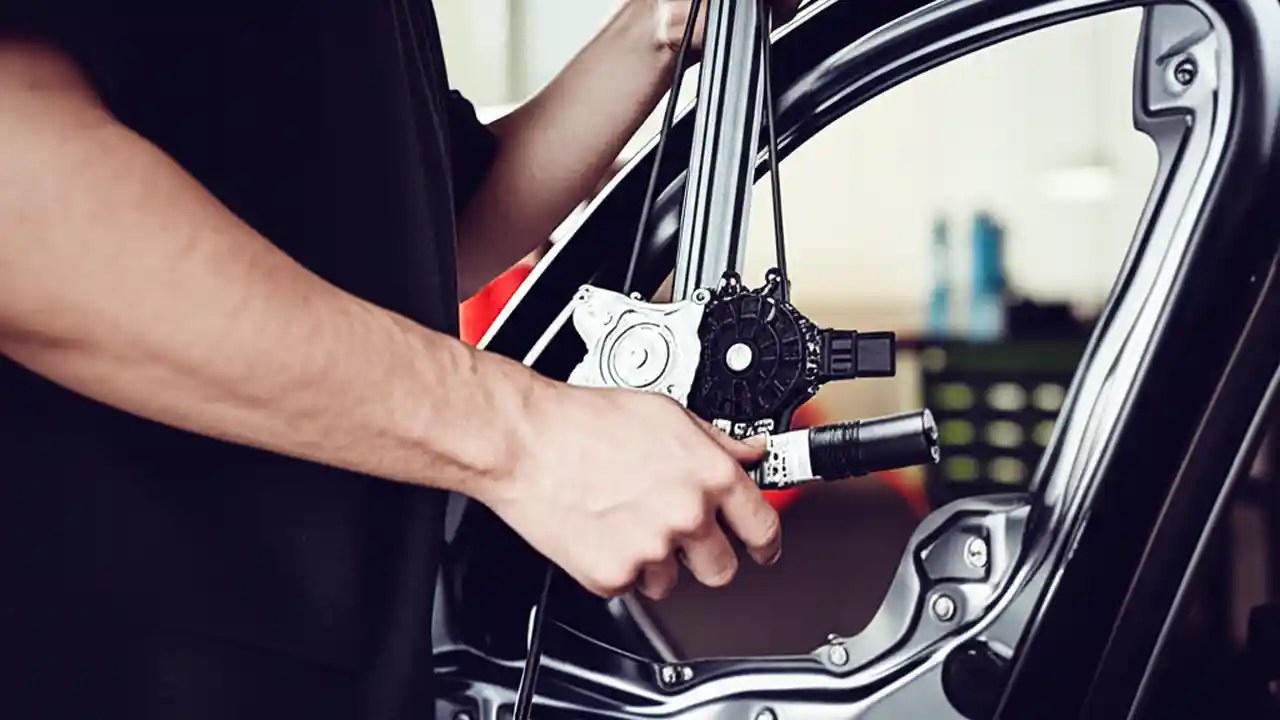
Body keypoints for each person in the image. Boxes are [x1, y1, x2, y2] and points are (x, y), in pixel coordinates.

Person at [1, 1, 800, 718]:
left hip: (337, 659)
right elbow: (21, 209)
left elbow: (421, 234)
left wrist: (655, 33)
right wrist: (524, 436)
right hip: (109, 660)